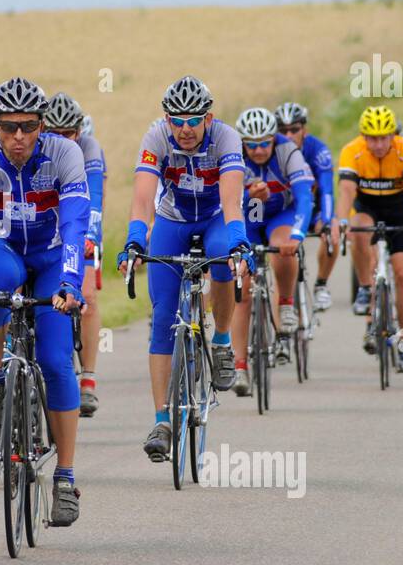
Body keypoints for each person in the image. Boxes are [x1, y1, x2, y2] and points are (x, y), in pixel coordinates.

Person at [0, 77, 87, 525]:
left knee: (54, 360)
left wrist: (70, 280)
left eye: (28, 127)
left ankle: (65, 478)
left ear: (42, 125)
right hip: (4, 250)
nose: (18, 137)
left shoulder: (65, 154)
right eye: (9, 127)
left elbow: (74, 224)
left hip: (50, 257)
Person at [116, 76, 251, 460]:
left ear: (208, 118)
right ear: (166, 119)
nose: (186, 128)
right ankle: (162, 421)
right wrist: (134, 239)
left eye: (194, 119)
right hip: (172, 219)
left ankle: (222, 340)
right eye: (177, 120)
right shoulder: (156, 137)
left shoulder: (226, 138)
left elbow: (231, 200)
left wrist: (239, 240)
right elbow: (143, 197)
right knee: (162, 318)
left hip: (213, 219)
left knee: (223, 257)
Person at [335, 105, 403, 372]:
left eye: (383, 138)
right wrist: (339, 221)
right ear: (363, 136)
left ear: (393, 135)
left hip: (400, 209)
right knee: (357, 227)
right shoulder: (352, 151)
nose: (377, 144)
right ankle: (365, 288)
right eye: (371, 138)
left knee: (402, 275)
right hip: (368, 208)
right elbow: (347, 192)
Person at [229, 108, 313, 395]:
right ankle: (240, 366)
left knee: (284, 246)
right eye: (251, 145)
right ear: (242, 143)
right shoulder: (233, 154)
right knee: (242, 293)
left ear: (273, 139)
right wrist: (246, 195)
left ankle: (286, 302)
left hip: (280, 214)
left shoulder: (288, 151)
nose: (259, 150)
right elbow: (221, 199)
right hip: (249, 218)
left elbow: (304, 196)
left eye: (264, 143)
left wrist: (298, 234)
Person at [42, 91, 107, 417]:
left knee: (88, 295)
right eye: (54, 133)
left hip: (81, 228)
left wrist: (90, 237)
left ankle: (88, 379)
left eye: (68, 133)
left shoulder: (90, 149)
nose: (62, 139)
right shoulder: (36, 150)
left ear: (78, 133)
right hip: (45, 231)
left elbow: (94, 199)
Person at [274, 102, 338, 310]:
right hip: (286, 211)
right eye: (283, 131)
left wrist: (328, 221)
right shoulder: (271, 151)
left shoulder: (318, 150)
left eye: (295, 129)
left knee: (332, 235)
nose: (289, 135)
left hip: (315, 209)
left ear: (305, 130)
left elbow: (327, 190)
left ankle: (321, 284)